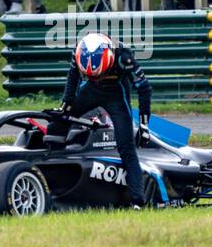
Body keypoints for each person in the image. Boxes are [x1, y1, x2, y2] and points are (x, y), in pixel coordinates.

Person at [55, 32, 152, 209]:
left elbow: (144, 89)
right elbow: (73, 78)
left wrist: (144, 125)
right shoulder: (78, 52)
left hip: (117, 96)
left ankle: (138, 201)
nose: (97, 77)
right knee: (58, 122)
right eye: (91, 75)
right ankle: (52, 164)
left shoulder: (124, 56)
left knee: (126, 148)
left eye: (99, 74)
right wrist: (66, 106)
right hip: (90, 91)